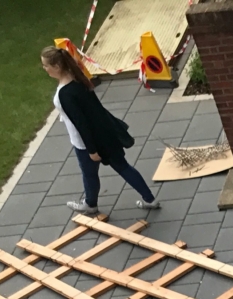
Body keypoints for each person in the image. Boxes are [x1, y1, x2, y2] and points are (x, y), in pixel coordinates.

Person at [40, 45, 160, 217]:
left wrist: (92, 150)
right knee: (123, 167)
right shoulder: (78, 78)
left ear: (57, 67)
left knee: (89, 174)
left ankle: (90, 204)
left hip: (86, 142)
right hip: (105, 133)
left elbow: (81, 124)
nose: (45, 69)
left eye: (46, 66)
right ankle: (149, 199)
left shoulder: (65, 94)